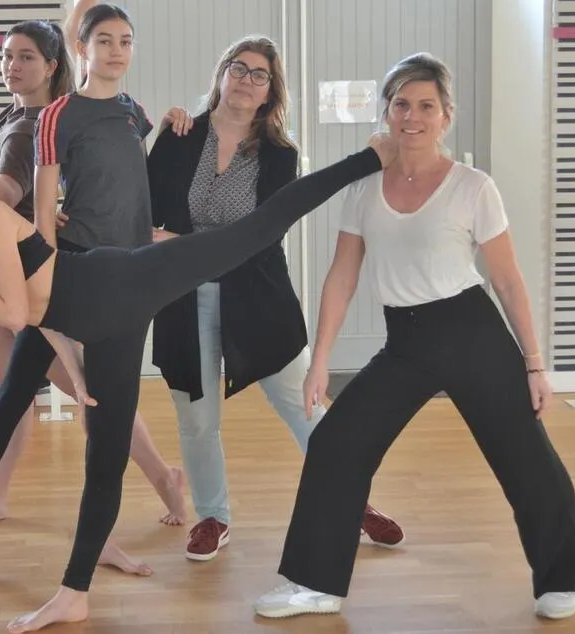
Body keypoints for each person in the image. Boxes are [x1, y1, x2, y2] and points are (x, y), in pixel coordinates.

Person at [0, 112, 393, 632]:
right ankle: (73, 594)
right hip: (102, 327)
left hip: (123, 283)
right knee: (105, 459)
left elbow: (11, 312)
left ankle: (372, 157)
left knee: (258, 229)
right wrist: (76, 375)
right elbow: (36, 310)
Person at [253, 52, 575, 621]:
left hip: (472, 332)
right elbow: (343, 275)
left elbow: (506, 280)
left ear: (445, 116)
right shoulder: (364, 189)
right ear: (387, 112)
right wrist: (320, 362)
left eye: (425, 106)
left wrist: (535, 363)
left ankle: (566, 578)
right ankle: (314, 584)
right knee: (337, 442)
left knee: (524, 458)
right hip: (406, 340)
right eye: (402, 104)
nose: (412, 116)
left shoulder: (473, 188)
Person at [146, 34, 405, 562]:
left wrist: (181, 243)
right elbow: (143, 213)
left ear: (270, 92)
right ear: (221, 75)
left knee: (304, 405)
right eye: (238, 68)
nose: (245, 79)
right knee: (197, 419)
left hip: (259, 297)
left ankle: (353, 501)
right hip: (181, 297)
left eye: (259, 74)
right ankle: (213, 516)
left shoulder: (280, 155)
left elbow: (265, 230)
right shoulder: (177, 136)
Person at [0, 18, 188, 532]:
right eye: (7, 55)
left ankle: (163, 474)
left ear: (54, 64)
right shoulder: (17, 113)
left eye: (26, 56)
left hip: (43, 270)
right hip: (2, 268)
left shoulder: (40, 120)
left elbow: (12, 191)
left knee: (85, 389)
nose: (14, 65)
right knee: (13, 386)